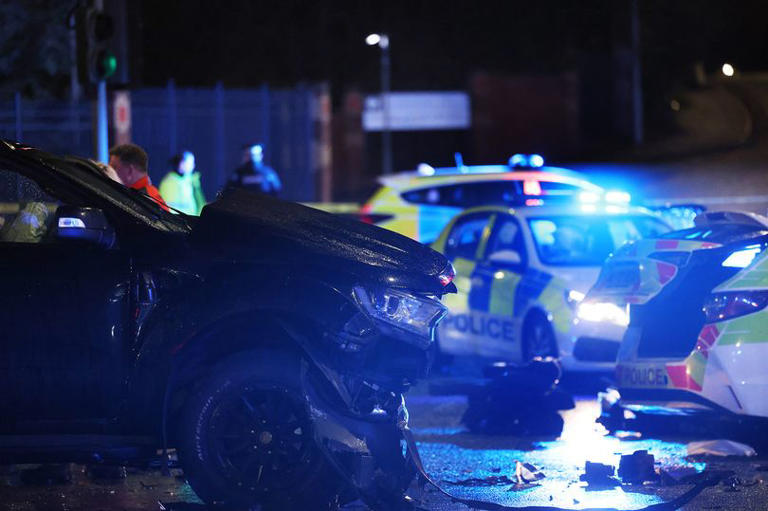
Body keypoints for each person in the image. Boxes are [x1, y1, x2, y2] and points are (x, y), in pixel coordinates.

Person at [108, 143, 169, 211]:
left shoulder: (145, 200)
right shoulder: (144, 195)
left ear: (129, 171)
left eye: (114, 167)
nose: (110, 171)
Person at [158, 150, 206, 215]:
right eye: (190, 163)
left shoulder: (189, 180)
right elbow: (169, 207)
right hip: (179, 222)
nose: (193, 166)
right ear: (181, 163)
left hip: (190, 220)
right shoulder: (170, 181)